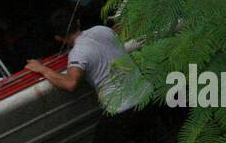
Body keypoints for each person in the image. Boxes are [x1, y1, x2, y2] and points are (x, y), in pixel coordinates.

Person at [25, 11, 154, 117]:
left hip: (123, 108)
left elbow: (70, 84)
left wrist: (42, 69)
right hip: (146, 93)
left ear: (58, 38)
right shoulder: (103, 30)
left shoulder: (77, 53)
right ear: (78, 22)